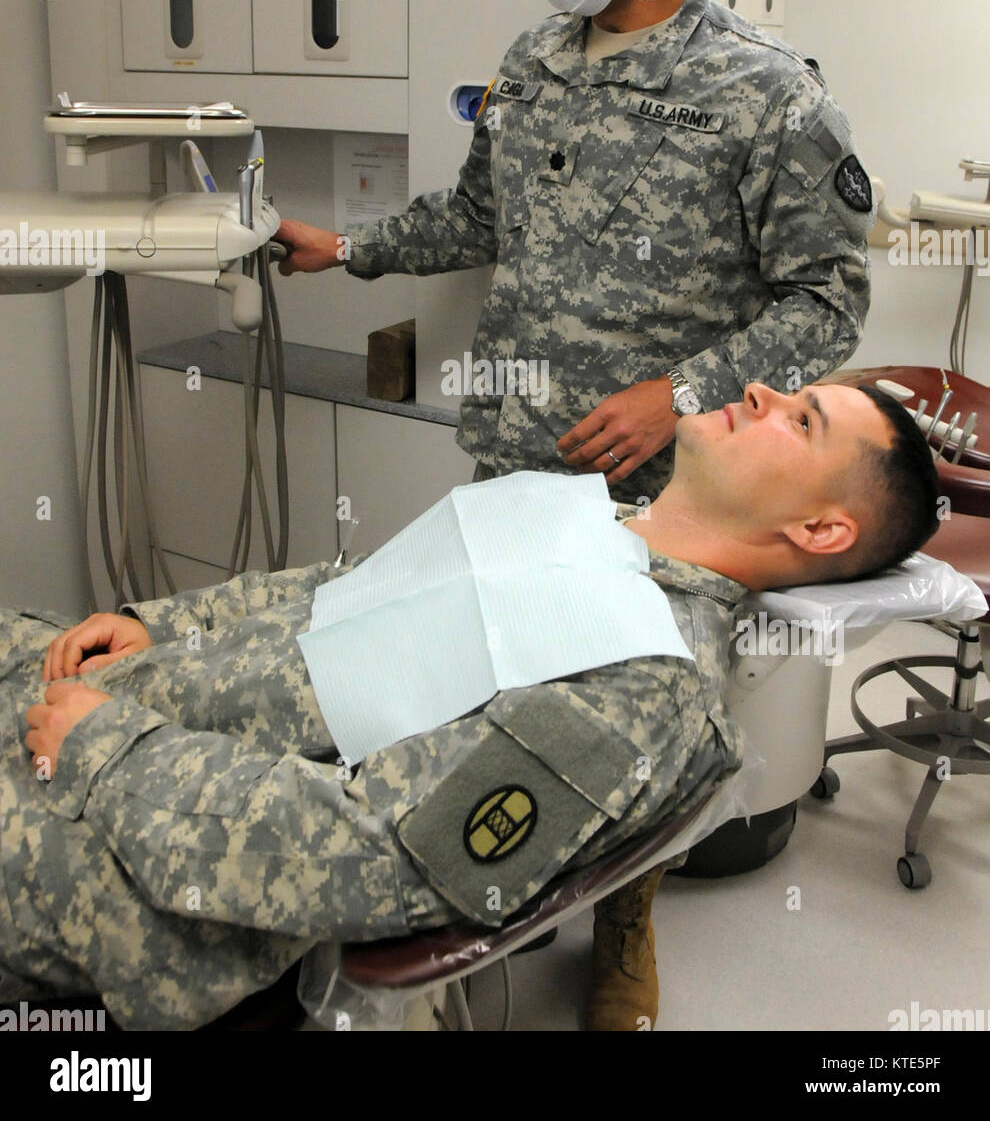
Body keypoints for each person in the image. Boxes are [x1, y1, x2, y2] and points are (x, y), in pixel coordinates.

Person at [0, 383, 938, 1031]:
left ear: (821, 529)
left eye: (803, 420)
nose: (767, 395)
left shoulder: (641, 688)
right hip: (139, 705)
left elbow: (374, 856)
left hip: (123, 855)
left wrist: (113, 752)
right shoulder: (579, 518)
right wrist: (164, 627)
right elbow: (347, 588)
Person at [274, 0, 874, 505]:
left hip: (661, 496)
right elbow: (478, 217)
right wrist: (344, 249)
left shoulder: (768, 93)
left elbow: (828, 304)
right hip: (511, 464)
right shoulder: (535, 61)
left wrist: (679, 394)